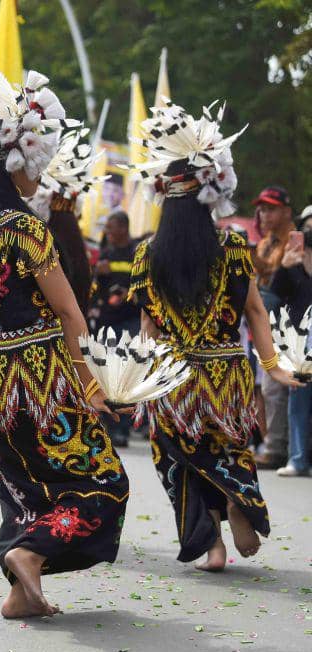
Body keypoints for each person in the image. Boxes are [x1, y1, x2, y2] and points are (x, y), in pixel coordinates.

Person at [0, 52, 128, 618]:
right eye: (36, 161)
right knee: (103, 482)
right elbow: (71, 314)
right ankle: (31, 553)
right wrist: (91, 385)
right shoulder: (27, 229)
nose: (41, 172)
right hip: (44, 378)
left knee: (21, 481)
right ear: (17, 160)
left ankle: (19, 591)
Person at [130, 102, 300, 572]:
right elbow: (255, 312)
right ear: (210, 192)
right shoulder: (231, 246)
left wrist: (132, 383)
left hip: (172, 377)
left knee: (178, 460)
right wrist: (273, 367)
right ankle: (238, 499)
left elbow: (148, 328)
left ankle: (213, 546)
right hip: (226, 372)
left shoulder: (148, 254)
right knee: (227, 446)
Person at [251, 186, 295, 470]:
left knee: (277, 387)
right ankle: (270, 444)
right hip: (263, 323)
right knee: (262, 389)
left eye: (270, 208)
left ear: (286, 211)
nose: (263, 214)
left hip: (288, 324)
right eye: (261, 209)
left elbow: (275, 276)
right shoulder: (266, 242)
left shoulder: (295, 241)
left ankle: (279, 448)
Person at [91, 211, 140, 447]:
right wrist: (100, 277)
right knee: (104, 375)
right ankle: (106, 424)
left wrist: (126, 294)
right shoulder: (106, 253)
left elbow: (142, 285)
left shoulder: (136, 253)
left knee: (123, 375)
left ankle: (122, 428)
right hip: (107, 322)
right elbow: (97, 291)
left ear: (123, 228)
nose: (108, 233)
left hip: (130, 321)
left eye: (111, 228)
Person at [269, 220, 312, 476]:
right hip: (300, 346)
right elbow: (274, 296)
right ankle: (296, 458)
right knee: (298, 404)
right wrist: (283, 268)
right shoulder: (292, 266)